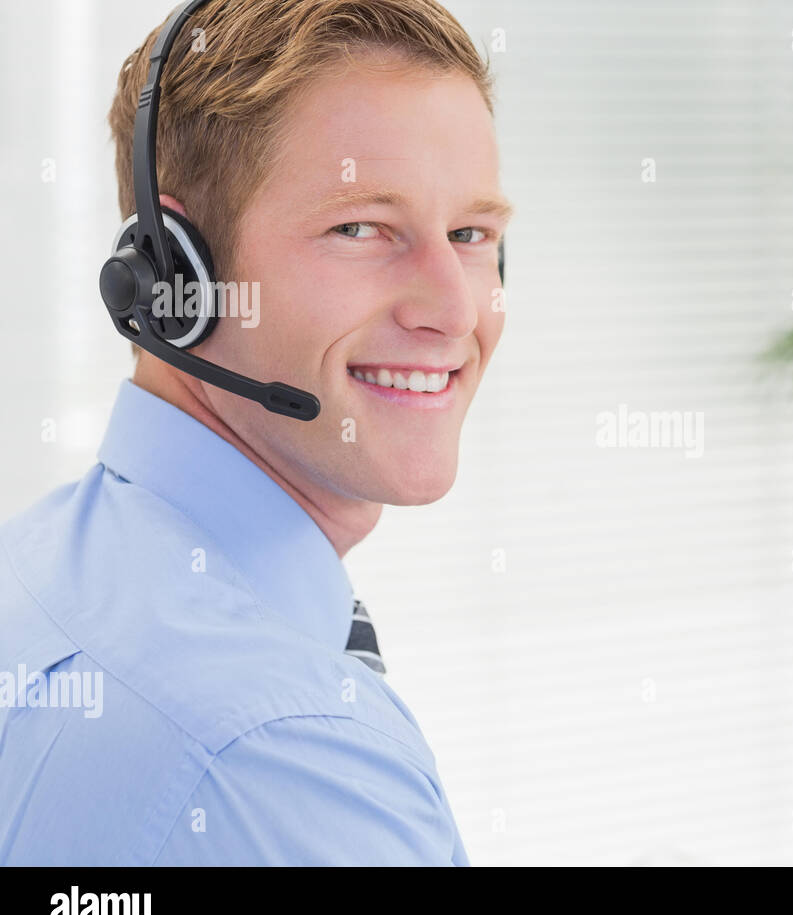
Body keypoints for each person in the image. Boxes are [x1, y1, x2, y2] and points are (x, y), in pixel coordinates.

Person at [0, 0, 512, 865]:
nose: (454, 308)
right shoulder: (282, 755)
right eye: (361, 228)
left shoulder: (37, 568)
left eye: (471, 234)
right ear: (171, 276)